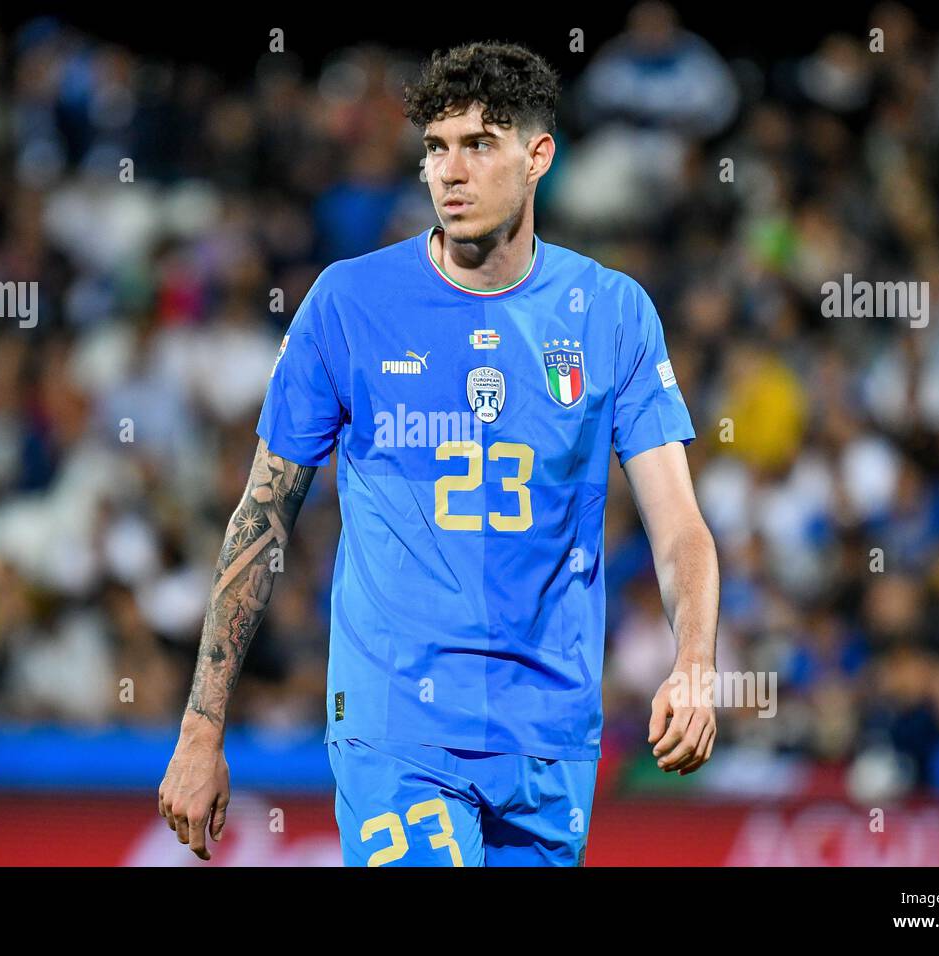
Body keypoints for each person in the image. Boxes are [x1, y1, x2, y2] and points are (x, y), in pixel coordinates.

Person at [160, 41, 720, 866]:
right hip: (398, 722)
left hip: (550, 731)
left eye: (479, 144)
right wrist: (200, 730)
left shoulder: (611, 314)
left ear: (538, 158)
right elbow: (264, 517)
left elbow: (680, 528)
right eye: (435, 148)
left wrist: (696, 663)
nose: (449, 172)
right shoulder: (348, 304)